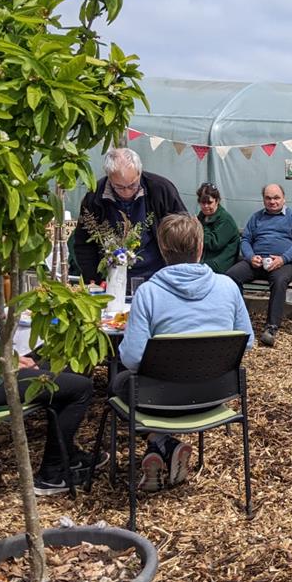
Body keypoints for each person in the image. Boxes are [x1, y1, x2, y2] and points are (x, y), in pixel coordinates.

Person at [117, 213, 254, 491]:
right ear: (201, 247)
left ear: (162, 249)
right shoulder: (228, 286)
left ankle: (161, 441)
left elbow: (131, 358)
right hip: (216, 396)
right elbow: (247, 341)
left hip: (159, 400)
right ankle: (163, 445)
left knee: (119, 382)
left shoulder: (149, 292)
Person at [0, 354, 101, 495]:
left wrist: (6, 356)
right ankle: (52, 474)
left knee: (66, 371)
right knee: (81, 388)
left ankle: (67, 456)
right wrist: (1, 362)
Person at [73, 147, 187, 284]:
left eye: (132, 185)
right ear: (109, 177)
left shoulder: (161, 189)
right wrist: (94, 279)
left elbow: (183, 232)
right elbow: (83, 243)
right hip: (112, 280)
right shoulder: (95, 196)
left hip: (158, 277)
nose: (126, 192)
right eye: (119, 187)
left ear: (139, 173)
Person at [225, 184, 292, 348]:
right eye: (268, 198)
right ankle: (238, 319)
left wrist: (283, 259)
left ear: (284, 198)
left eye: (276, 198)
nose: (272, 202)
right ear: (263, 199)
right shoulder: (256, 217)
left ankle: (271, 327)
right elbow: (246, 240)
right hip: (258, 262)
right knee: (231, 276)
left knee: (279, 280)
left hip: (284, 263)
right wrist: (250, 257)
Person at [196, 182, 239, 274]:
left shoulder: (226, 219)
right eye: (203, 203)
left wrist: (198, 228)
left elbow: (213, 243)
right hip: (204, 260)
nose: (206, 206)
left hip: (219, 264)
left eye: (209, 202)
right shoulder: (202, 216)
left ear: (217, 201)